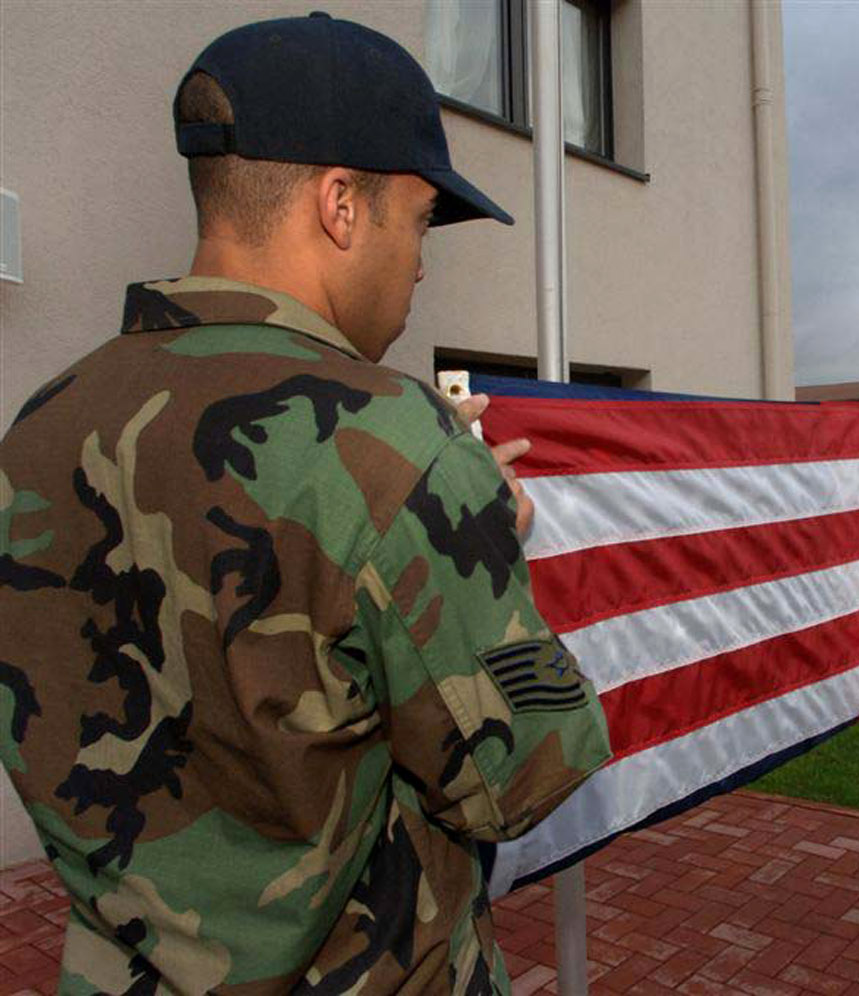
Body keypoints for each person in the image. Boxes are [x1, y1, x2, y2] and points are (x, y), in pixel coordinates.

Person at [0, 14, 611, 994]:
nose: (421, 260)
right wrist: (483, 534)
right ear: (340, 206)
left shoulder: (37, 429)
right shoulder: (385, 443)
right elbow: (522, 775)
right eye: (418, 221)